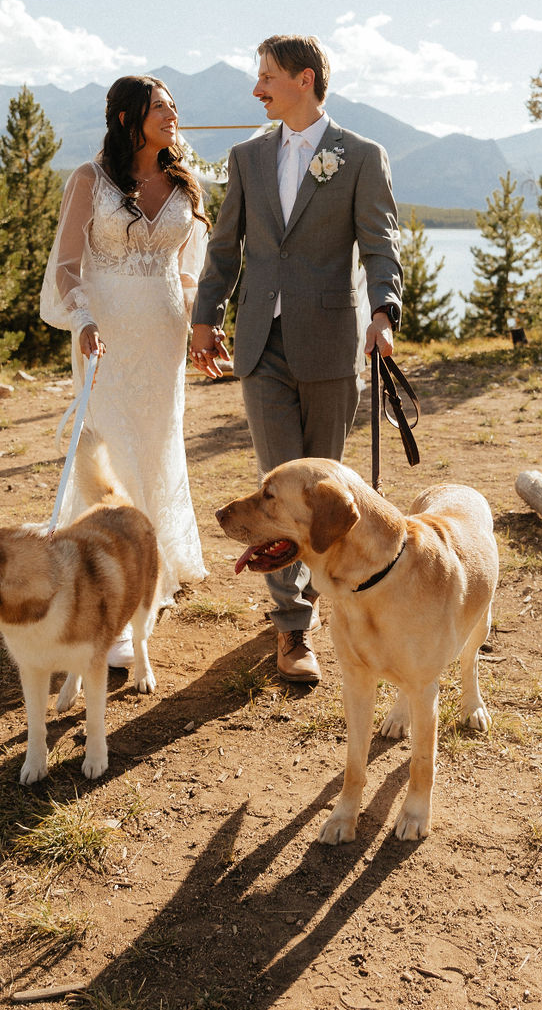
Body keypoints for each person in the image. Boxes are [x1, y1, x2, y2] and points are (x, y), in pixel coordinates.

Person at [191, 34, 402, 684]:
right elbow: (226, 248)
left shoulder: (360, 156)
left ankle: (329, 597)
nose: (258, 89)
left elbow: (380, 242)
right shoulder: (247, 157)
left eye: (268, 77)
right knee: (277, 485)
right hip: (261, 345)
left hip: (333, 344)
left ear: (304, 80)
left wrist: (384, 312)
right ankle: (293, 627)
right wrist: (205, 316)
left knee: (327, 487)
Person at [40, 76, 209, 664]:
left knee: (157, 439)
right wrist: (83, 318)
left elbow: (190, 271)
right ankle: (103, 570)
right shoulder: (91, 180)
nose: (173, 113)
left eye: (172, 105)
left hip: (162, 334)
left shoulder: (186, 179)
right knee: (108, 445)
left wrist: (194, 326)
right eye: (160, 106)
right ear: (124, 118)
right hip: (103, 333)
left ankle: (152, 567)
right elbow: (65, 264)